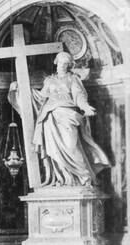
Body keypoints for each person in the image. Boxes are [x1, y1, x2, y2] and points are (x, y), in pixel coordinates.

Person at [30, 51, 112, 187]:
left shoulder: (72, 79)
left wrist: (85, 108)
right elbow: (41, 97)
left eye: (66, 63)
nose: (63, 65)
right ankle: (62, 179)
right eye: (61, 62)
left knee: (71, 146)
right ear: (56, 62)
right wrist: (21, 89)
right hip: (50, 118)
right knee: (55, 151)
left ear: (69, 65)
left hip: (68, 116)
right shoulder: (49, 80)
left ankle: (84, 177)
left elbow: (79, 96)